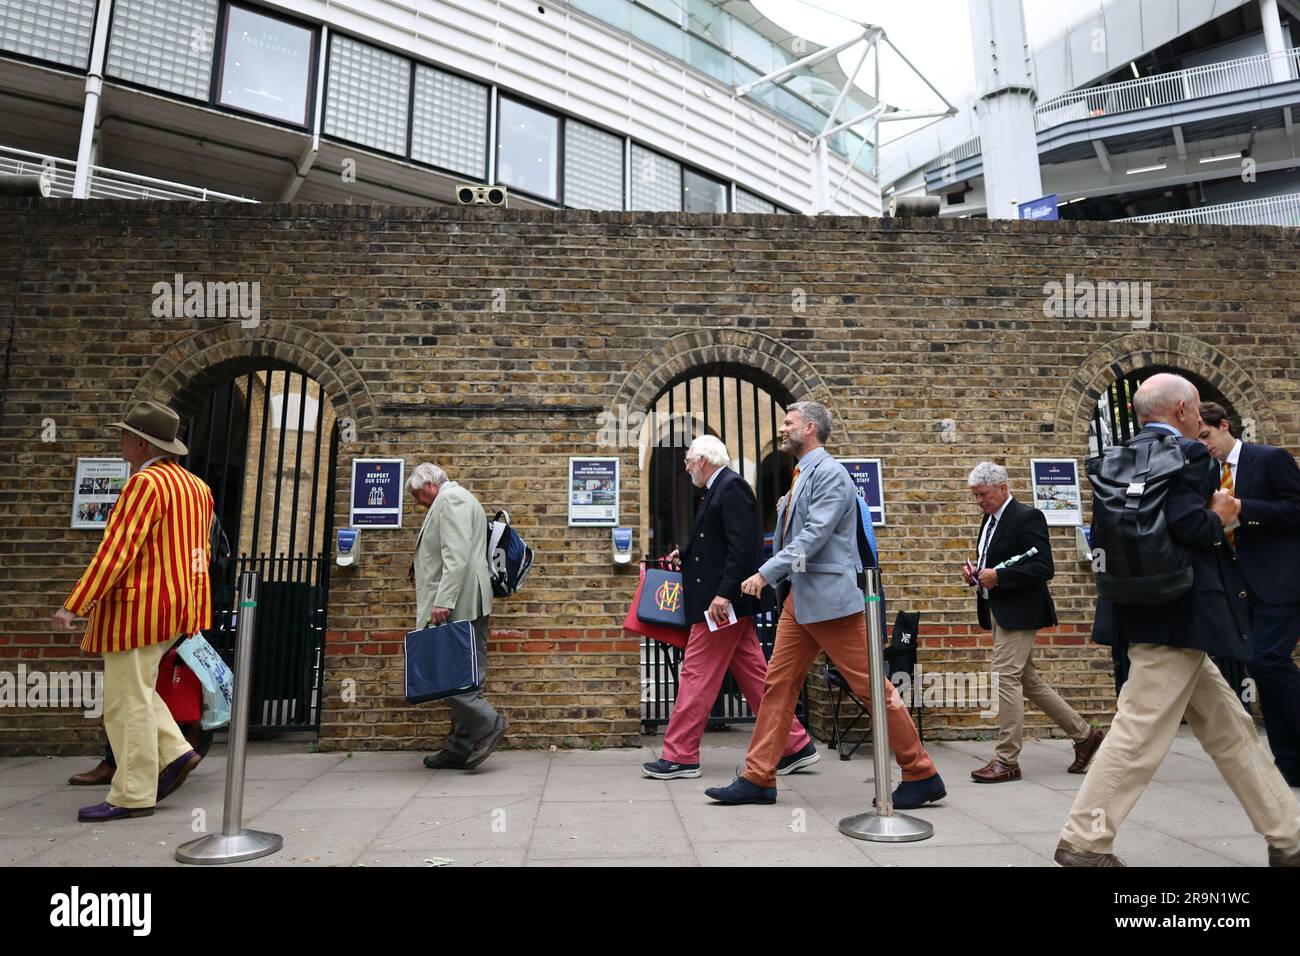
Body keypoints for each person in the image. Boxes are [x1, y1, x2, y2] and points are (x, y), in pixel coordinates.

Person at [1056, 373, 1300, 867]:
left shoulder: (1114, 459)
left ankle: (1288, 837)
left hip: (1138, 607)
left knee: (1230, 728)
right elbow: (1192, 527)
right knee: (1138, 728)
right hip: (1182, 612)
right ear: (1186, 409)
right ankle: (1084, 840)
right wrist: (1222, 512)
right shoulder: (1190, 455)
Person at [705, 401, 944, 808]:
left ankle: (921, 772)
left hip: (833, 602)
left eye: (788, 423)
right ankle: (758, 776)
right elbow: (792, 537)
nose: (782, 429)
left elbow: (815, 536)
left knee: (872, 687)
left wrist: (766, 574)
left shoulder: (830, 474)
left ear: (810, 427)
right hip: (802, 601)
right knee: (777, 685)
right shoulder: (801, 475)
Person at [52, 401, 212, 822]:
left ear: (141, 443)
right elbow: (200, 555)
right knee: (139, 692)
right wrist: (196, 607)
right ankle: (176, 753)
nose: (120, 441)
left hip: (137, 610)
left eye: (124, 435)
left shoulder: (145, 486)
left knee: (124, 703)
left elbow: (117, 551)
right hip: (177, 608)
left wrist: (75, 602)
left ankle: (132, 793)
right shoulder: (197, 487)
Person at [641, 435, 817, 780]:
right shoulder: (718, 488)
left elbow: (744, 548)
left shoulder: (731, 487)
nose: (687, 466)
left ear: (704, 459)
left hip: (720, 606)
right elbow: (717, 543)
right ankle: (795, 745)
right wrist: (686, 554)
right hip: (725, 604)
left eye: (689, 460)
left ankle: (681, 755)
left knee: (695, 676)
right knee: (756, 676)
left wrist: (723, 595)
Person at [963, 462, 1102, 782]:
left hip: (1021, 612)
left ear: (1002, 488)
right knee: (1028, 681)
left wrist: (1000, 575)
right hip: (998, 610)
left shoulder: (1027, 517)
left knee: (1004, 677)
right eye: (975, 495)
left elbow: (1043, 567)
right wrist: (978, 574)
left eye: (983, 494)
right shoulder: (989, 519)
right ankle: (1085, 735)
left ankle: (1006, 758)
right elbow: (993, 562)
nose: (979, 501)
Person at [1197, 401, 1300, 788]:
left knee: (1267, 661)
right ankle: (1290, 763)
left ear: (1224, 426)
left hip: (1282, 581)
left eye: (1206, 435)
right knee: (1260, 668)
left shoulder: (1269, 459)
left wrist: (1243, 507)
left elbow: (1296, 507)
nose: (1205, 445)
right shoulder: (1208, 473)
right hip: (1240, 587)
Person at [408, 462, 506, 771]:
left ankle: (489, 725)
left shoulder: (451, 500)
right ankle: (459, 746)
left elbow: (456, 555)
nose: (416, 501)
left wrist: (443, 601)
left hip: (459, 602)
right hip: (464, 601)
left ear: (430, 485)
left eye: (416, 493)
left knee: (445, 674)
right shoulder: (453, 498)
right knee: (464, 675)